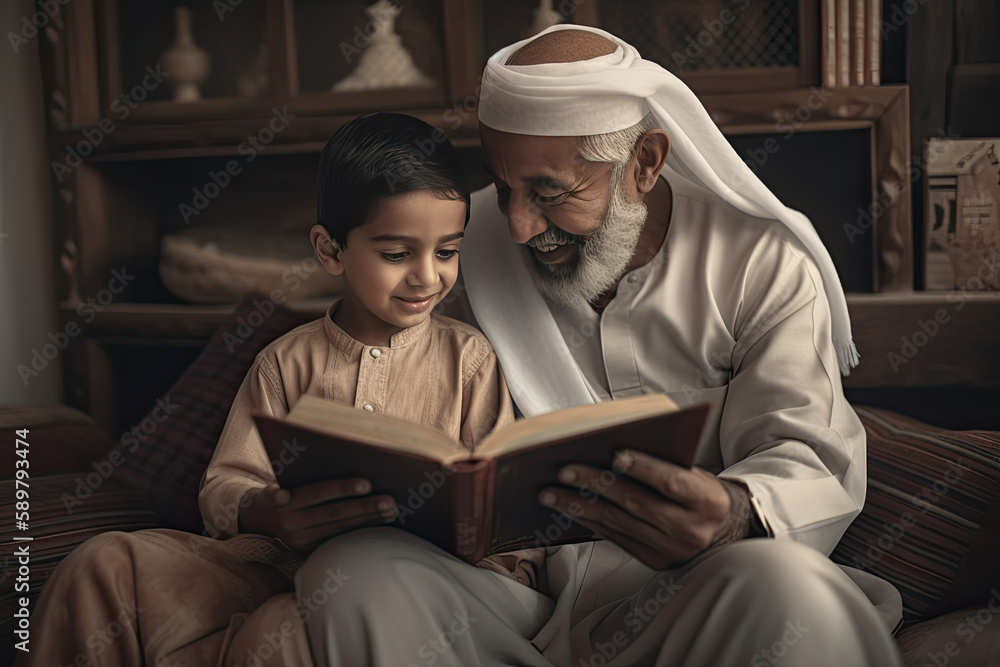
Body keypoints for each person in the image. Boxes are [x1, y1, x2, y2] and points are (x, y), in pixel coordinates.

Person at [290, 25, 906, 667]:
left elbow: (809, 454)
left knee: (787, 587)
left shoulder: (758, 263)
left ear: (645, 163)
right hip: (518, 605)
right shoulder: (456, 252)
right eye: (503, 189)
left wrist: (731, 514)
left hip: (690, 592)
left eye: (549, 193)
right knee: (352, 572)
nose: (518, 226)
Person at [19, 112, 539, 666]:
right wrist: (265, 510)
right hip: (270, 565)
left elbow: (501, 511)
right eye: (396, 254)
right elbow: (226, 484)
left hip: (399, 584)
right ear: (330, 250)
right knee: (102, 564)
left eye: (447, 251)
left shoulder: (469, 360)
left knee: (282, 631)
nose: (428, 277)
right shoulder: (283, 361)